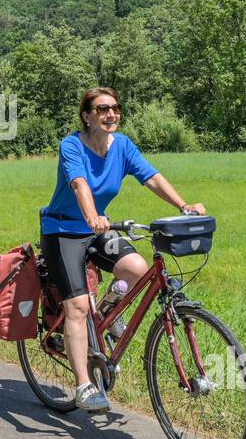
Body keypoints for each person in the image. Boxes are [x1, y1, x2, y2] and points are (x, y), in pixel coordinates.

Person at [40, 86, 205, 413]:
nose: (111, 114)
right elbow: (79, 184)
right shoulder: (72, 145)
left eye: (114, 108)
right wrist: (91, 216)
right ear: (87, 116)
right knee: (76, 307)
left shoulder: (123, 146)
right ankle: (84, 385)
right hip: (63, 231)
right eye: (102, 109)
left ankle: (103, 316)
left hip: (99, 229)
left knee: (138, 269)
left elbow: (151, 177)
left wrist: (184, 205)